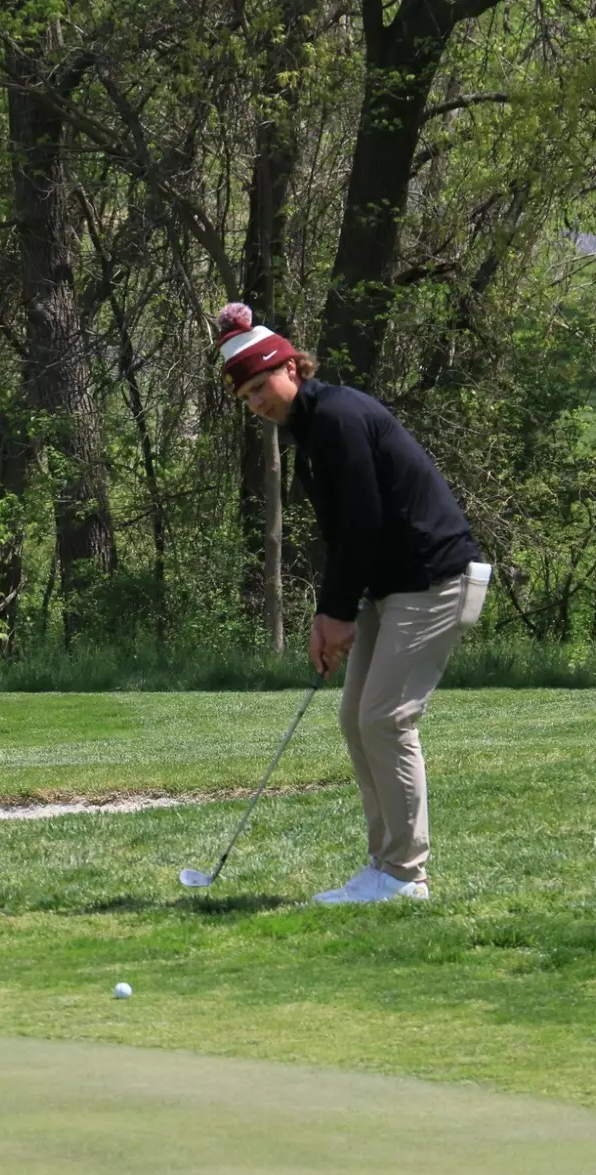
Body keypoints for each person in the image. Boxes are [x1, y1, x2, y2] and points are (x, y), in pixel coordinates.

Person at [217, 302, 490, 904]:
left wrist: (338, 613)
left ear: (292, 366)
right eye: (248, 396)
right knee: (355, 720)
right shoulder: (309, 430)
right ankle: (381, 866)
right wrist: (326, 614)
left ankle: (405, 875)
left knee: (385, 718)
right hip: (391, 585)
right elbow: (343, 536)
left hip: (433, 579)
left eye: (263, 385)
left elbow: (364, 523)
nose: (259, 401)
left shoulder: (337, 417)